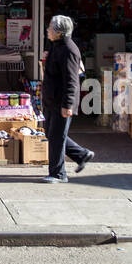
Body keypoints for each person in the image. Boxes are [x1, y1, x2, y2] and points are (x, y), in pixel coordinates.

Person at [41, 15, 94, 184]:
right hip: (52, 100)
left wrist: (68, 104)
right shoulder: (57, 46)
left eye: (50, 27)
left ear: (58, 32)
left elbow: (72, 80)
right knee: (51, 133)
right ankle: (81, 154)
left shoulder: (69, 50)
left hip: (61, 101)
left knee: (57, 136)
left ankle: (58, 173)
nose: (47, 30)